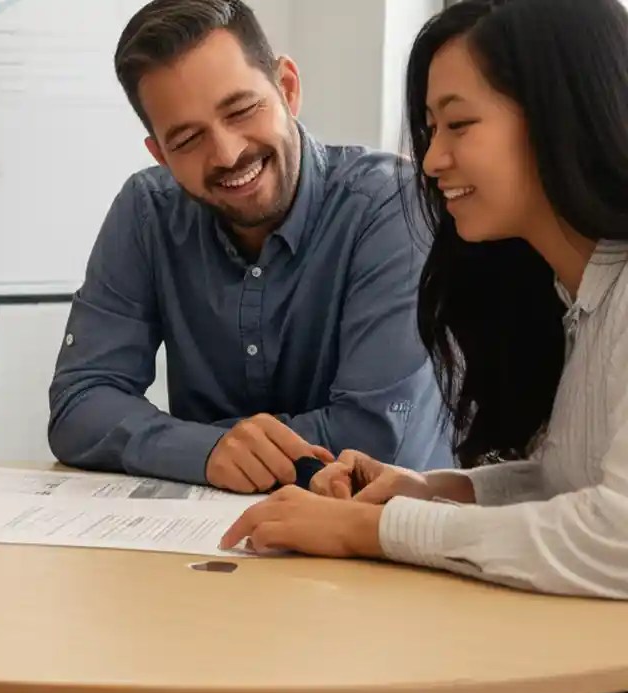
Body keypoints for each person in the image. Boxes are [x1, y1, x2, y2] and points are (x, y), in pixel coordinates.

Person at [221, 0, 628, 621]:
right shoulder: (570, 297)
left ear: (560, 116)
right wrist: (432, 490)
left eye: (459, 126)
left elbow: (615, 538)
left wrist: (371, 532)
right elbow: (569, 483)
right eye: (431, 129)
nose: (433, 160)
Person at [47, 0, 452, 493]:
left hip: (383, 542)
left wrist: (190, 450)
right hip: (209, 545)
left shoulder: (392, 205)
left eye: (241, 110)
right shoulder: (147, 210)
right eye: (187, 138)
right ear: (160, 153)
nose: (227, 153)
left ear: (287, 88)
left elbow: (377, 441)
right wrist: (210, 451)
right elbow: (78, 406)